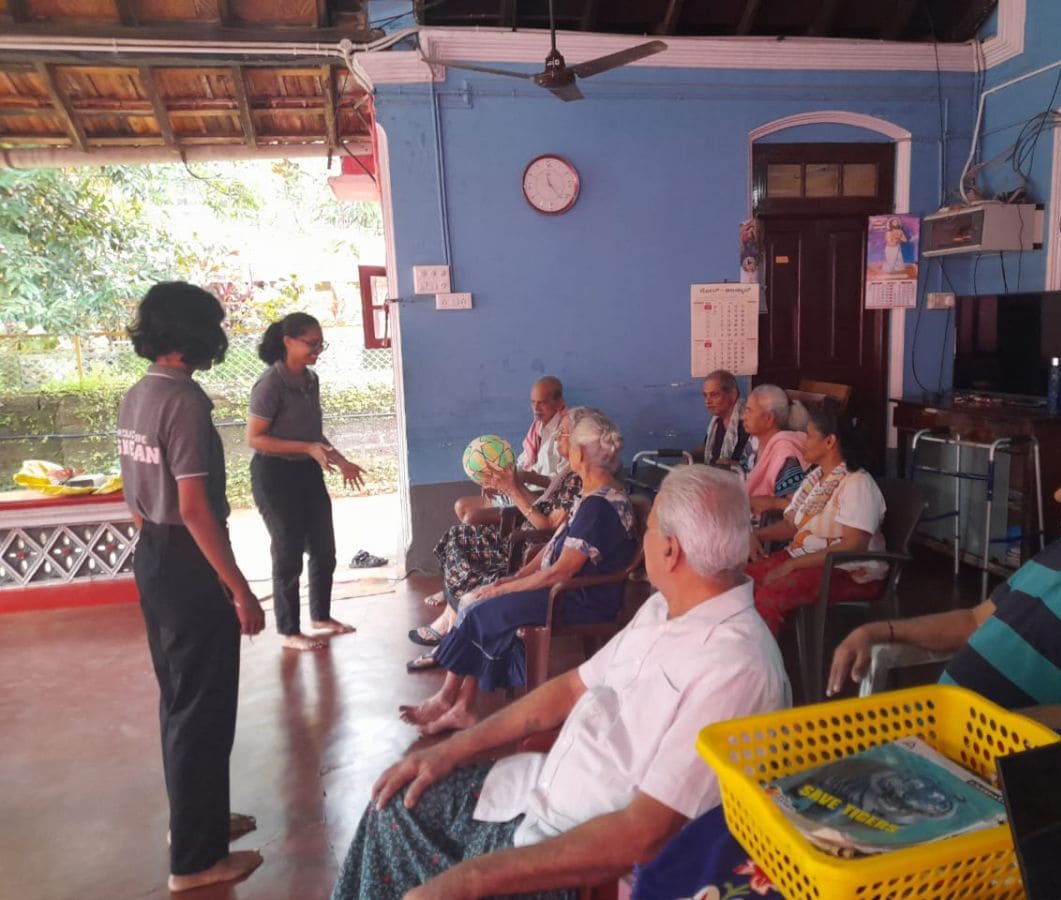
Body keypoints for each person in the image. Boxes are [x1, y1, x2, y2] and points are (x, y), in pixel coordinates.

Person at [332, 466, 790, 899]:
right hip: (537, 791)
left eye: (648, 530)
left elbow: (644, 834)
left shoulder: (736, 668)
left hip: (577, 847)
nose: (642, 541)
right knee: (390, 807)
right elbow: (572, 688)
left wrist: (471, 879)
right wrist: (451, 749)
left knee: (437, 870)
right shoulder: (662, 609)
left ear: (671, 550)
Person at [828, 443, 1061, 729]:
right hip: (944, 731)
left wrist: (989, 726)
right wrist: (881, 631)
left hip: (1006, 768)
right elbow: (976, 620)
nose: (1060, 494)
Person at [117, 282, 266, 892]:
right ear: (193, 334)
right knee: (203, 708)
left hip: (153, 551)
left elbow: (139, 496)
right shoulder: (186, 402)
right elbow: (196, 508)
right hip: (187, 558)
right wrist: (240, 589)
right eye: (216, 324)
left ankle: (195, 823)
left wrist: (161, 547)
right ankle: (196, 864)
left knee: (179, 699)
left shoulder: (137, 395)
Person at [400, 411, 637, 735]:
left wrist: (507, 589)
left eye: (567, 441)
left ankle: (450, 701)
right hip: (565, 589)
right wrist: (513, 578)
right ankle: (460, 705)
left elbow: (561, 571)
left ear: (580, 453)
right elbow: (554, 545)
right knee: (475, 603)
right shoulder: (591, 492)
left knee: (484, 607)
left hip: (577, 597)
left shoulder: (600, 504)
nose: (561, 446)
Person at [408, 408, 588, 663]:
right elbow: (544, 500)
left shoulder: (579, 480)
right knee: (458, 536)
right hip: (522, 533)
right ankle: (452, 615)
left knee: (463, 545)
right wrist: (516, 482)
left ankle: (452, 623)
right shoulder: (569, 472)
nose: (558, 435)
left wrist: (512, 489)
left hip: (530, 545)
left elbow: (547, 526)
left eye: (563, 431)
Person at [247, 313, 365, 652]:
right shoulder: (270, 384)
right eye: (312, 344)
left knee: (324, 549)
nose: (318, 350)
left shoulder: (310, 380)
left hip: (307, 472)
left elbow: (313, 435)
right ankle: (288, 630)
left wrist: (340, 461)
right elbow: (255, 438)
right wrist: (308, 448)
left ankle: (321, 617)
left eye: (320, 344)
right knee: (287, 553)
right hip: (274, 475)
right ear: (288, 341)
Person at [745, 400, 887, 633]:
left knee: (768, 596)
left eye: (809, 435)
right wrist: (756, 534)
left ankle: (761, 664)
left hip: (847, 573)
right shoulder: (815, 479)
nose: (803, 442)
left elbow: (853, 545)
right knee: (738, 583)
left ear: (829, 442)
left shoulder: (857, 484)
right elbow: (792, 525)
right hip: (805, 559)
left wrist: (793, 564)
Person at [454, 376, 568, 524]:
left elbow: (561, 484)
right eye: (533, 402)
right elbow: (522, 461)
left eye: (542, 403)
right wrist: (498, 480)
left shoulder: (565, 434)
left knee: (472, 518)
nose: (536, 408)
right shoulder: (537, 428)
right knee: (462, 506)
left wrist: (525, 477)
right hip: (519, 489)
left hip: (537, 498)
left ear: (559, 403)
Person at [742, 384, 808, 503]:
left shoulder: (785, 454)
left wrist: (766, 503)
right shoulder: (754, 441)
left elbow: (794, 506)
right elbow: (744, 472)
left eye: (749, 411)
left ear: (769, 419)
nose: (743, 417)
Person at [700, 369, 750, 470]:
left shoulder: (749, 423)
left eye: (714, 395)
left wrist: (734, 466)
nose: (707, 401)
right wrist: (691, 456)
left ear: (733, 395)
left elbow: (759, 464)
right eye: (705, 395)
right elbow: (705, 448)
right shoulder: (716, 423)